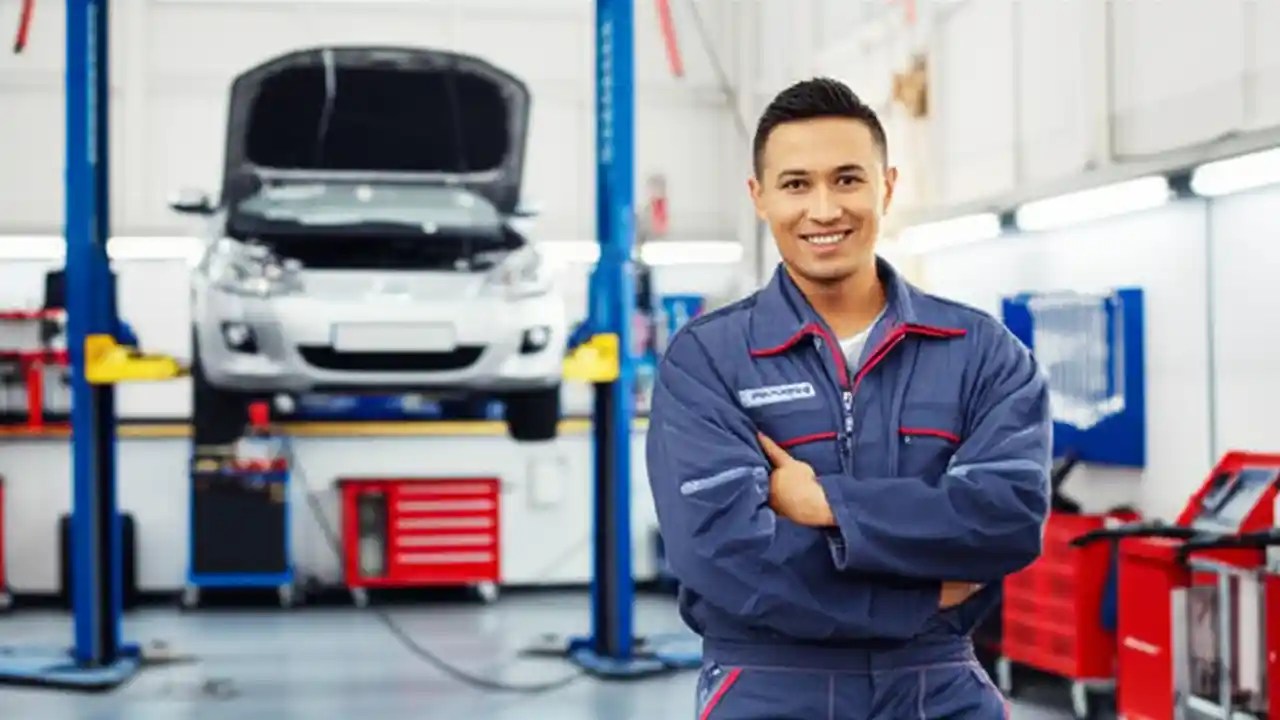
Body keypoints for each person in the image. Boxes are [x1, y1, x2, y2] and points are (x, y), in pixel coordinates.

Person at [644, 77, 1053, 719]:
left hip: (939, 685)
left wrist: (824, 502)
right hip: (769, 686)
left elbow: (1004, 521)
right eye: (796, 184)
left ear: (886, 186)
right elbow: (720, 553)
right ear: (760, 197)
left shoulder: (982, 352)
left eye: (848, 179)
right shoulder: (708, 360)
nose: (825, 209)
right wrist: (915, 597)